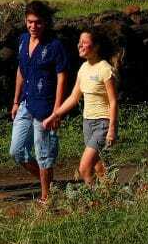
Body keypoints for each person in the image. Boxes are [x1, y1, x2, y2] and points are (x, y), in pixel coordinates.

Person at [9, 0, 67, 203]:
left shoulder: (54, 45)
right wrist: (15, 101)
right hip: (26, 101)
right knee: (16, 150)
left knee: (44, 153)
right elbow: (21, 70)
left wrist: (57, 111)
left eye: (38, 23)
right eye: (30, 22)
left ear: (46, 23)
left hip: (46, 105)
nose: (33, 27)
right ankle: (50, 184)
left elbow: (61, 78)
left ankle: (46, 197)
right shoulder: (24, 40)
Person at [43, 30, 119, 184]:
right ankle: (110, 199)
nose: (80, 45)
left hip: (102, 123)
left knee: (84, 168)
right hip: (87, 124)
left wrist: (112, 128)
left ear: (96, 46)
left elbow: (113, 102)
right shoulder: (83, 68)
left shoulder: (105, 69)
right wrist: (54, 115)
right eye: (80, 41)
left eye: (84, 42)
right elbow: (73, 97)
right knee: (99, 167)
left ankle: (94, 201)